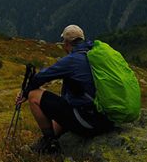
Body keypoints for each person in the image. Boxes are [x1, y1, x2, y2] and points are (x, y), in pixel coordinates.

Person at [15, 24, 115, 154]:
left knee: (34, 95)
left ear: (67, 43)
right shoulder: (95, 56)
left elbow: (40, 77)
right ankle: (54, 137)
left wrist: (26, 92)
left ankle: (49, 143)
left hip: (89, 121)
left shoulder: (72, 60)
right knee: (60, 115)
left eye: (63, 41)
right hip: (105, 120)